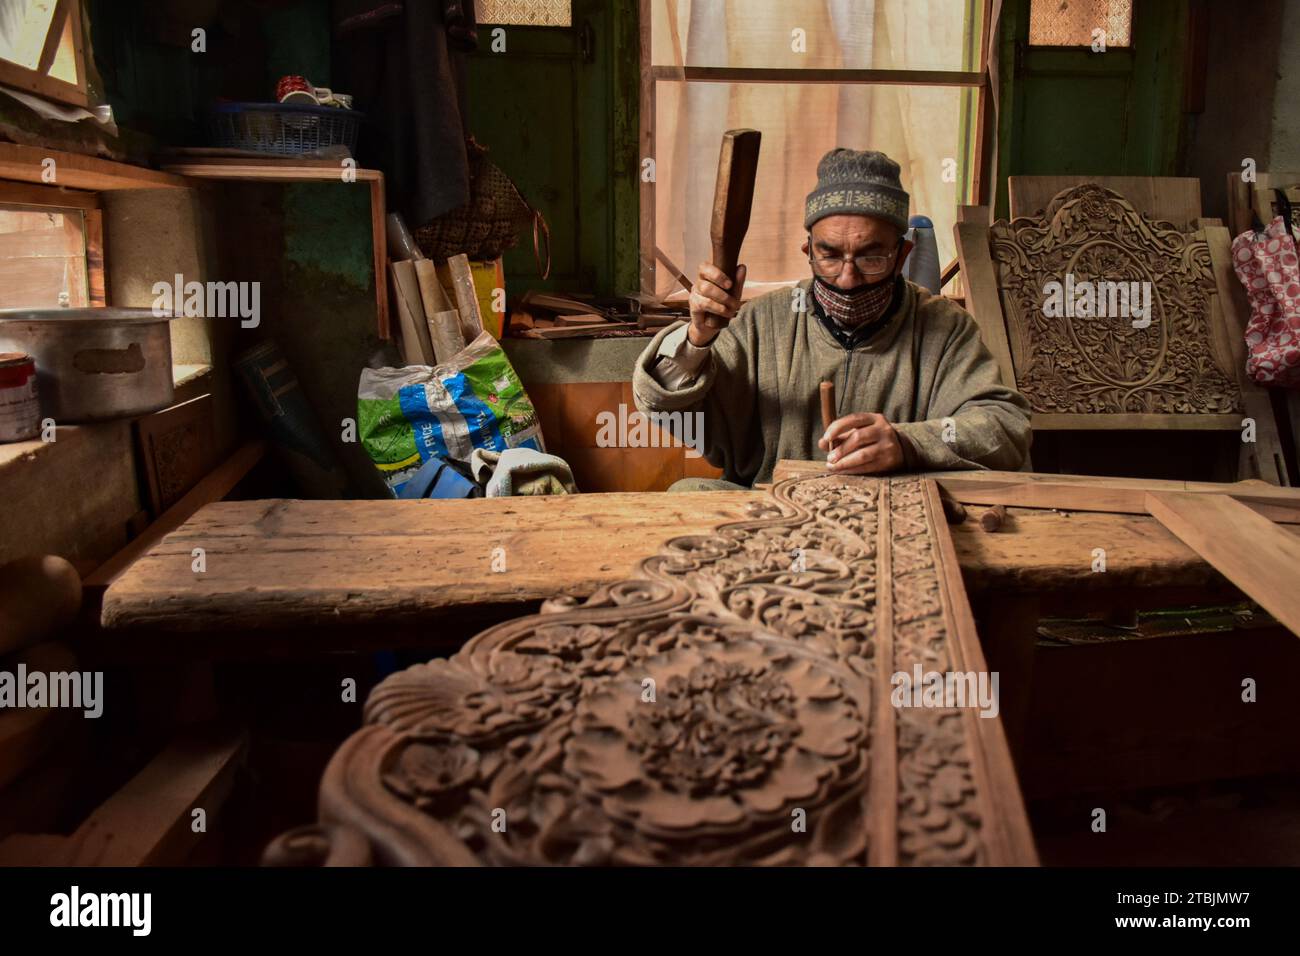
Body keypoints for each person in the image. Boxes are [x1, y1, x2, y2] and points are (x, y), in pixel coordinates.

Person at [632, 147, 1032, 490]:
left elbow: (1005, 428)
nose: (848, 277)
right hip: (770, 515)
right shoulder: (760, 323)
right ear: (808, 250)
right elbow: (664, 406)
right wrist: (698, 336)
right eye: (830, 254)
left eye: (871, 256)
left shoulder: (944, 328)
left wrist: (908, 444)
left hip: (894, 517)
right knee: (690, 492)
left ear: (902, 256)